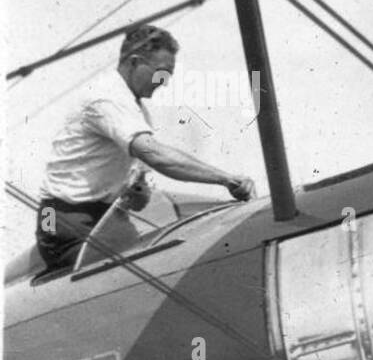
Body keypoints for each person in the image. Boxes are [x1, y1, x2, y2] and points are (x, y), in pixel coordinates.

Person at [35, 25, 256, 270]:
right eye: (162, 74)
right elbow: (157, 156)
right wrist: (225, 179)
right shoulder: (107, 98)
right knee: (126, 277)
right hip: (58, 219)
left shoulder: (134, 109)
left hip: (104, 219)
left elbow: (140, 193)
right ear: (134, 62)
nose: (164, 83)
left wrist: (138, 191)